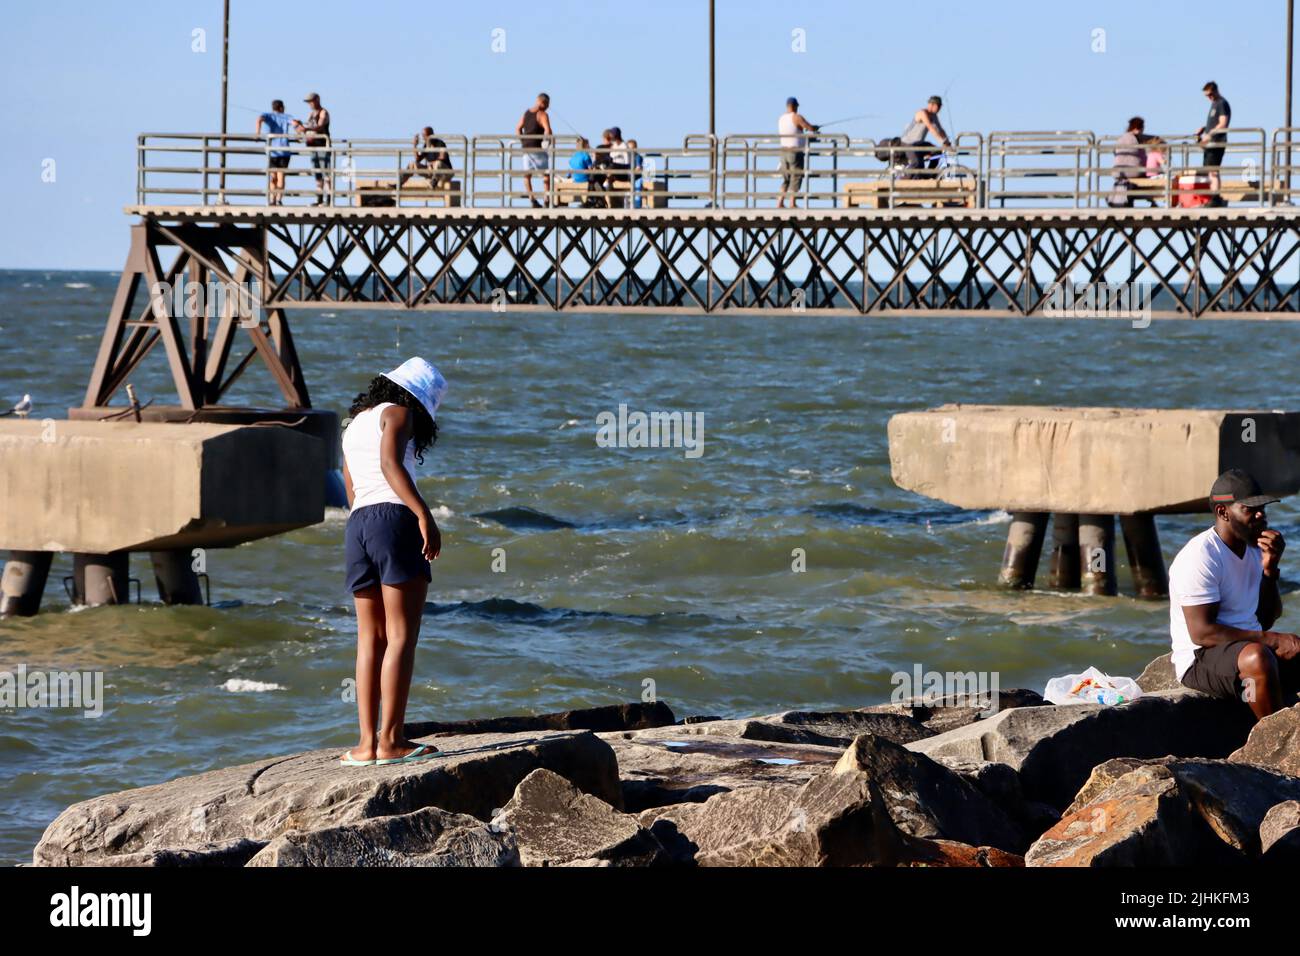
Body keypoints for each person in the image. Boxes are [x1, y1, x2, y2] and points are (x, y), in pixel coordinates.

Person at [339, 357, 448, 766]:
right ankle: (392, 741)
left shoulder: (354, 426)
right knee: (401, 635)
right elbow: (389, 464)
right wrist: (423, 514)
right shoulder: (398, 414)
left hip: (358, 524)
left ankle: (366, 745)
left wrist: (366, 525)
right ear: (416, 401)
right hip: (393, 519)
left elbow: (351, 484)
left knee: (370, 637)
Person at [1168, 469, 1300, 721]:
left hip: (1245, 647)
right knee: (1257, 658)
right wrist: (1271, 641)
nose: (1261, 515)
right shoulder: (1201, 556)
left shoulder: (1254, 550)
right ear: (1223, 512)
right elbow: (1202, 633)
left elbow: (1265, 619)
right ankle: (1274, 740)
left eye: (1262, 507)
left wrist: (1270, 569)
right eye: (1250, 509)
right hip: (1200, 658)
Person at [777, 97, 819, 209]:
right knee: (796, 177)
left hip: (783, 151)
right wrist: (814, 128)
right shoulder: (796, 117)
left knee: (786, 179)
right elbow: (808, 127)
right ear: (795, 106)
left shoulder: (781, 118)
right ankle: (792, 203)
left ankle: (780, 202)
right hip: (794, 151)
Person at [1196, 81, 1231, 206]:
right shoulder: (1214, 104)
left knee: (1213, 170)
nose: (1209, 97)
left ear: (1215, 91)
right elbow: (1215, 123)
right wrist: (1204, 129)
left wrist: (1209, 135)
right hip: (1210, 143)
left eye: (1210, 94)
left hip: (1217, 142)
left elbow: (1222, 123)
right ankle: (1211, 196)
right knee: (1209, 170)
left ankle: (1215, 197)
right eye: (1206, 95)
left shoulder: (1221, 103)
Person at [293, 92, 332, 206]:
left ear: (317, 100)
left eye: (311, 101)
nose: (310, 104)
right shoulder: (311, 114)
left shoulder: (323, 112)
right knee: (317, 174)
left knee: (326, 173)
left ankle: (328, 199)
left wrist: (305, 128)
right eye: (308, 102)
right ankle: (319, 199)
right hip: (313, 146)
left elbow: (319, 126)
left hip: (322, 146)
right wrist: (299, 126)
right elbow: (306, 128)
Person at [255, 99, 296, 205]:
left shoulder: (268, 116)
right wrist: (299, 133)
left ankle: (272, 198)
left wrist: (257, 134)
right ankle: (278, 199)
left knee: (272, 177)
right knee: (281, 176)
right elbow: (295, 123)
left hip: (272, 151)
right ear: (281, 108)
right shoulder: (286, 117)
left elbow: (259, 119)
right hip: (284, 151)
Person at [516, 92, 553, 207]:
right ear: (544, 102)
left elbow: (518, 129)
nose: (548, 107)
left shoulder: (526, 113)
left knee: (527, 175)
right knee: (546, 174)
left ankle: (532, 199)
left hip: (526, 148)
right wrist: (547, 140)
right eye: (548, 104)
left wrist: (523, 141)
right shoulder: (542, 114)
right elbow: (548, 130)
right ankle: (547, 199)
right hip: (537, 147)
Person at [900, 96, 951, 173]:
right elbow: (930, 127)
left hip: (918, 143)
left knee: (936, 152)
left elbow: (940, 129)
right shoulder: (922, 113)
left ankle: (929, 174)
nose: (940, 109)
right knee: (917, 164)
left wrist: (947, 141)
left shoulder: (934, 116)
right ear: (932, 105)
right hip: (908, 143)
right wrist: (942, 141)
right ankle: (905, 179)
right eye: (938, 106)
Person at [1108, 116, 1147, 207]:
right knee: (1148, 174)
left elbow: (1114, 152)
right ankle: (1151, 199)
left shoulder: (1121, 138)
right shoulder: (1136, 139)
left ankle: (1122, 200)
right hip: (1133, 171)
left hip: (1117, 171)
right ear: (1141, 128)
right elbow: (1143, 158)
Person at [568, 136, 597, 206]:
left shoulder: (573, 156)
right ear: (586, 146)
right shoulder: (586, 155)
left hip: (575, 179)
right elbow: (591, 169)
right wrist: (595, 158)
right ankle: (592, 199)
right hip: (584, 179)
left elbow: (571, 171)